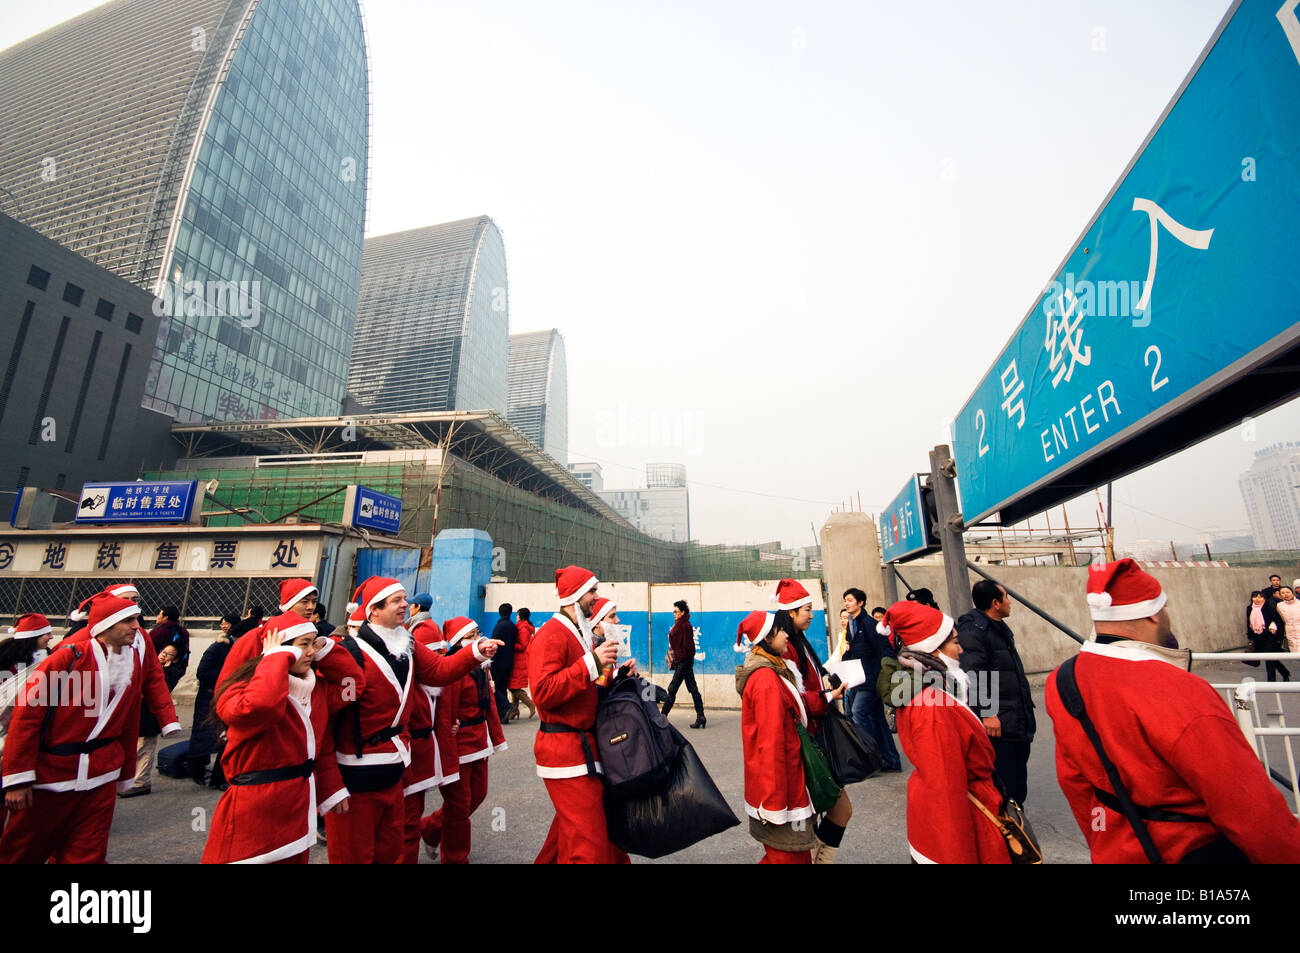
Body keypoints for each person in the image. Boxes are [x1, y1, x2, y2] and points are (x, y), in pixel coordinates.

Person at [1047, 558, 1300, 863]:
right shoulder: (1178, 690)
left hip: (1117, 848)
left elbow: (1074, 781)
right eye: (1163, 607)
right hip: (1189, 850)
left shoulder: (1062, 680)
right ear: (1153, 615)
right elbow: (1247, 805)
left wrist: (1103, 839)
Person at [324, 576, 501, 864]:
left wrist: (475, 652)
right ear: (373, 610)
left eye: (405, 599)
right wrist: (330, 785)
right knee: (353, 854)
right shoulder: (348, 653)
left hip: (396, 767)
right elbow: (326, 723)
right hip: (356, 772)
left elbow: (440, 671)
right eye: (397, 600)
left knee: (392, 850)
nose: (406, 604)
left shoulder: (407, 643)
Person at [0, 596, 147, 863]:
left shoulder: (133, 660)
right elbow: (27, 718)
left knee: (88, 855)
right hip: (50, 777)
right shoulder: (67, 658)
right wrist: (17, 779)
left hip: (101, 778)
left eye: (136, 619)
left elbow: (129, 721)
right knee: (21, 853)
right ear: (106, 626)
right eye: (128, 620)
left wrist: (125, 774)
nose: (137, 626)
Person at [200, 612, 355, 864]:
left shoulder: (317, 690)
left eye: (313, 643)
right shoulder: (240, 689)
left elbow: (352, 686)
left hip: (298, 805)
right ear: (279, 648)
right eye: (303, 644)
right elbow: (262, 707)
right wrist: (274, 660)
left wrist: (333, 789)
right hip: (254, 809)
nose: (310, 652)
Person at [876, 600, 1009, 864]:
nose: (961, 649)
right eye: (955, 642)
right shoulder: (933, 706)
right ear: (934, 649)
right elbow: (945, 792)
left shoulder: (932, 689)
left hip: (958, 808)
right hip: (963, 815)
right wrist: (959, 854)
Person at [530, 565, 634, 864]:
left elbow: (586, 688)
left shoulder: (577, 633)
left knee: (569, 838)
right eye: (591, 591)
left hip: (581, 750)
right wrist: (592, 663)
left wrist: (615, 677)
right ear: (574, 595)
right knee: (588, 848)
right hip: (566, 753)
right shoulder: (552, 634)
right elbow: (543, 693)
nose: (595, 597)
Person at [771, 578, 852, 863]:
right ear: (791, 612)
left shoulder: (800, 643)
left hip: (815, 735)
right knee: (835, 809)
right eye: (807, 609)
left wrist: (828, 688)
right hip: (806, 741)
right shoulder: (788, 648)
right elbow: (796, 702)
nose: (811, 615)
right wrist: (828, 697)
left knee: (831, 809)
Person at [418, 617, 508, 863]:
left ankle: (431, 827)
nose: (477, 638)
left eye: (477, 632)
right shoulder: (453, 669)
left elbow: (488, 704)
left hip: (479, 743)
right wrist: (447, 746)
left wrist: (497, 737)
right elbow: (446, 713)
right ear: (458, 642)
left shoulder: (482, 667)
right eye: (470, 635)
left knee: (477, 795)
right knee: (459, 807)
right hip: (457, 748)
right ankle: (456, 857)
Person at [734, 610, 817, 863]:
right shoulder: (766, 680)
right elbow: (769, 745)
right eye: (780, 631)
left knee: (792, 855)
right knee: (787, 856)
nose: (786, 636)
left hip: (786, 784)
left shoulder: (773, 671)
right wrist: (773, 803)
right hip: (781, 790)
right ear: (766, 638)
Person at [955, 580, 1036, 804]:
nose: (1010, 602)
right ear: (995, 603)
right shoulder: (974, 631)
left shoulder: (997, 627)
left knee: (1017, 779)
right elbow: (973, 673)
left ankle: (1013, 828)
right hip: (999, 721)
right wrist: (987, 713)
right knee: (1006, 784)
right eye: (1006, 597)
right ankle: (1006, 832)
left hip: (1013, 715)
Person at [400, 592, 444, 863]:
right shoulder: (419, 629)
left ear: (416, 607)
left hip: (419, 723)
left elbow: (432, 675)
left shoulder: (421, 631)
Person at [843, 587, 902, 772]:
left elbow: (884, 650)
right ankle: (890, 760)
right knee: (877, 719)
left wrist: (887, 675)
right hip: (857, 679)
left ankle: (872, 759)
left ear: (860, 603)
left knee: (857, 713)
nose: (846, 603)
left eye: (850, 600)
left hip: (871, 680)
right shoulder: (852, 626)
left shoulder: (869, 624)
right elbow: (852, 652)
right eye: (845, 600)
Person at [189, 612, 241, 787]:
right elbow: (201, 672)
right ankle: (196, 771)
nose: (223, 625)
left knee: (217, 735)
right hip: (208, 695)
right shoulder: (217, 648)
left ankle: (211, 776)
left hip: (221, 695)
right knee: (202, 733)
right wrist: (228, 675)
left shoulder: (232, 648)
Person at [661, 600, 705, 728]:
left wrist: (678, 656)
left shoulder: (685, 626)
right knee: (693, 689)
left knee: (672, 688)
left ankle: (662, 717)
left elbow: (689, 649)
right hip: (684, 661)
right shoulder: (680, 624)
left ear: (682, 612)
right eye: (673, 611)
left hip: (684, 662)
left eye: (676, 611)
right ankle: (701, 716)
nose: (674, 613)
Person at [1245, 590, 1289, 681]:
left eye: (1260, 597)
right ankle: (1285, 673)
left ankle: (1271, 680)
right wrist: (1250, 636)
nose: (1257, 599)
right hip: (1257, 637)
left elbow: (1278, 621)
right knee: (1270, 659)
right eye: (1255, 597)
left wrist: (1278, 635)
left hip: (1269, 636)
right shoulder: (1250, 608)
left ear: (1264, 598)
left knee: (1269, 659)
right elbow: (1248, 622)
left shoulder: (1269, 607)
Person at [0, 613, 53, 678]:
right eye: (48, 634)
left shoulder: (46, 654)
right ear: (33, 637)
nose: (51, 637)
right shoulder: (9, 658)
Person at [490, 604, 517, 722]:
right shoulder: (513, 627)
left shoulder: (498, 627)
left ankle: (507, 706)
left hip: (498, 661)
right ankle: (503, 715)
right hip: (509, 661)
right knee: (503, 687)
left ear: (500, 612)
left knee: (496, 688)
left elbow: (494, 645)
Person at [508, 607, 536, 720]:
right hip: (519, 659)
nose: (516, 617)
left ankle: (530, 704)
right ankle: (514, 710)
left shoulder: (523, 629)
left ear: (521, 616)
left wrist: (511, 645)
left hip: (520, 659)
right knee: (515, 685)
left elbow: (524, 646)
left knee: (513, 686)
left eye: (517, 615)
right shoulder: (523, 628)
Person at [1276, 586, 1300, 654]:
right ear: (1280, 595)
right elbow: (1279, 619)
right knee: (1295, 654)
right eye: (1282, 593)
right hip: (1290, 632)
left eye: (1288, 592)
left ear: (1292, 593)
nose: (1286, 594)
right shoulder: (1279, 605)